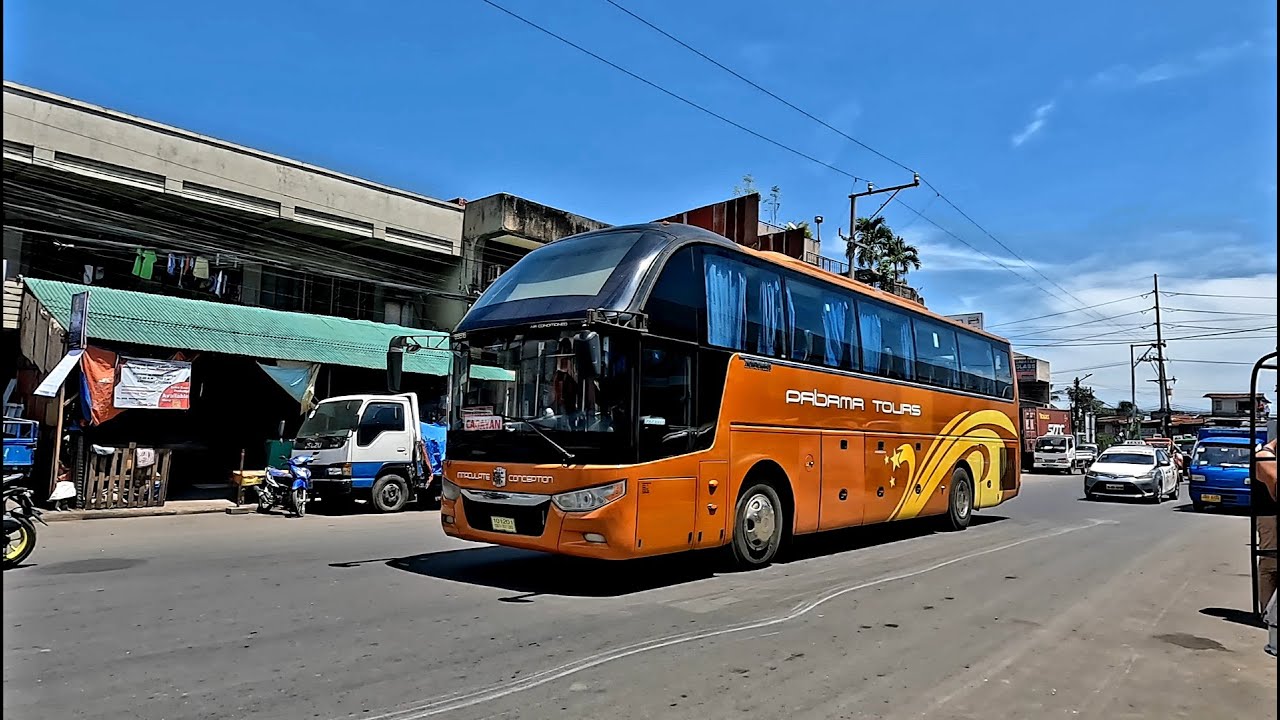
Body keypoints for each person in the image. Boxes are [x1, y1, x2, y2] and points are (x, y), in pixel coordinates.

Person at [1256, 438, 1277, 617]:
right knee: (1270, 566)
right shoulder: (1264, 457)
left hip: (1270, 518)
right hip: (1271, 519)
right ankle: (1268, 615)